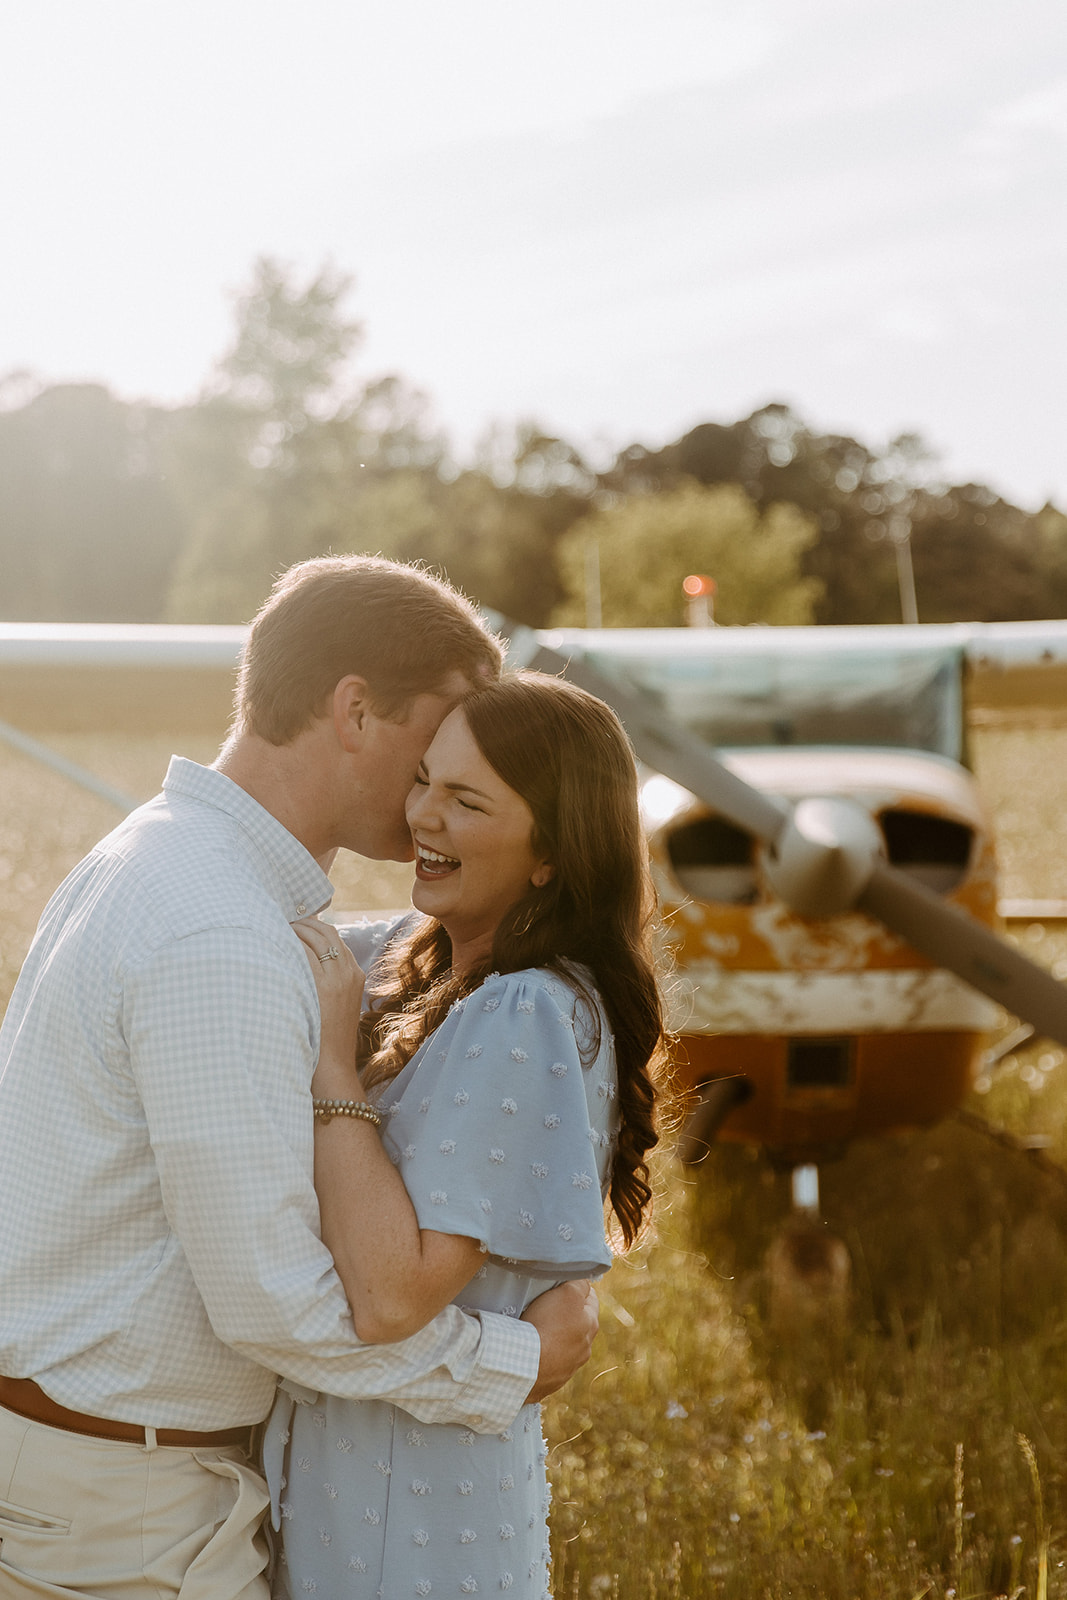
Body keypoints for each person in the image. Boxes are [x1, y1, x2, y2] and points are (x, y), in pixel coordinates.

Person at [0, 557, 598, 1599]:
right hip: (126, 1513)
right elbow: (273, 1304)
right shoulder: (217, 932)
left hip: (115, 1479)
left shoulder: (157, 859)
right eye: (438, 741)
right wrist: (507, 1365)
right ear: (356, 709)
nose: (438, 782)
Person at [265, 671, 667, 1599]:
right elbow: (270, 931)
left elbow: (396, 1297)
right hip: (352, 1484)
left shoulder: (525, 1008)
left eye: (465, 799)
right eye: (424, 781)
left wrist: (333, 1068)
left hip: (412, 1519)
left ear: (550, 855)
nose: (422, 818)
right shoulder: (421, 957)